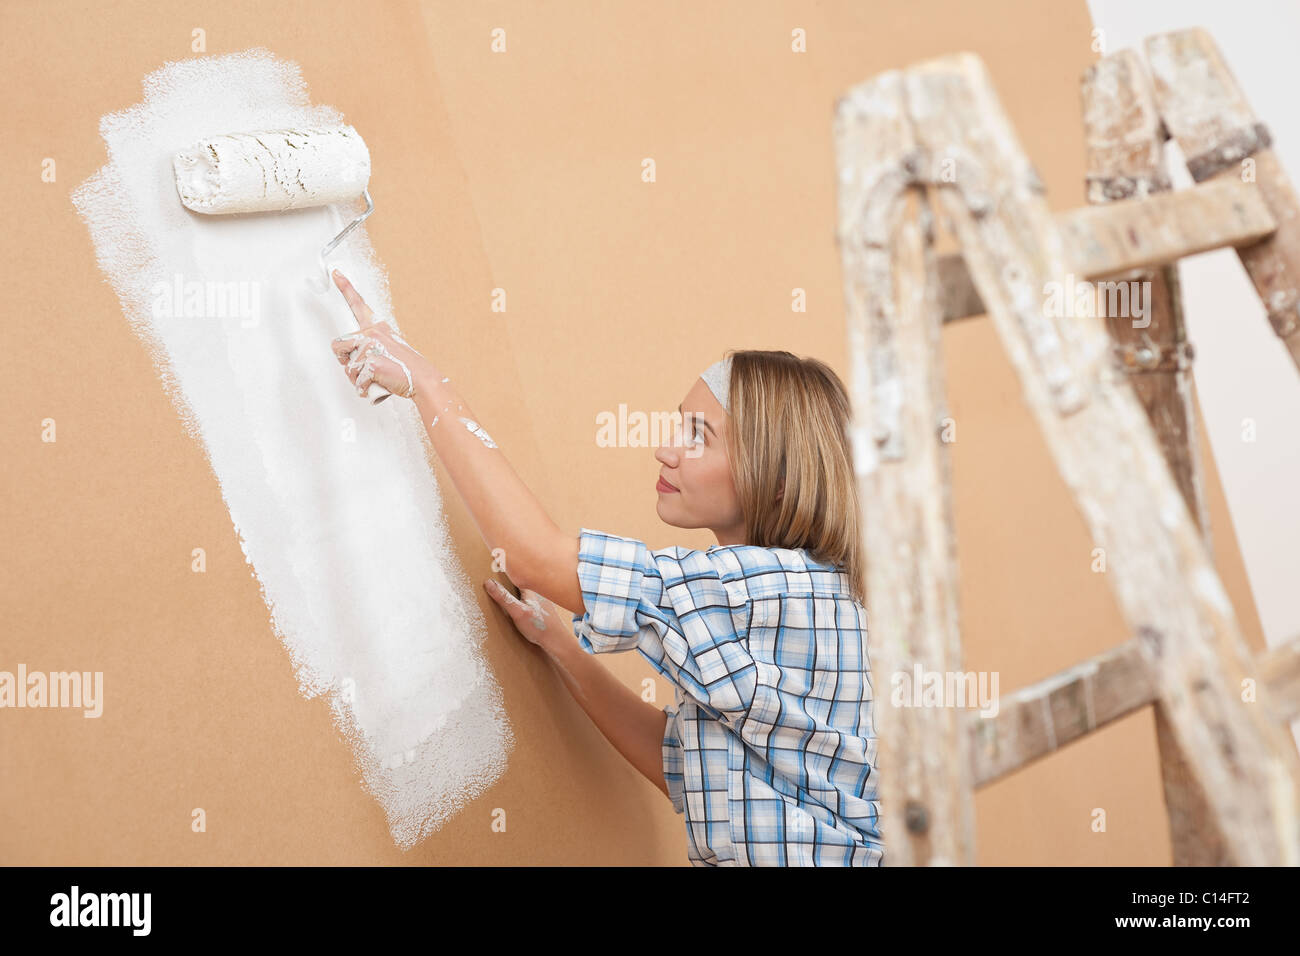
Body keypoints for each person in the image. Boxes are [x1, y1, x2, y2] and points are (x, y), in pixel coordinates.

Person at [329, 269, 883, 866]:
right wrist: (564, 648)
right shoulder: (817, 589)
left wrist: (426, 382)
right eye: (679, 424)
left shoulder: (755, 588)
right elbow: (691, 773)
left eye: (700, 436)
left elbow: (532, 555)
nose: (666, 448)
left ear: (773, 478)